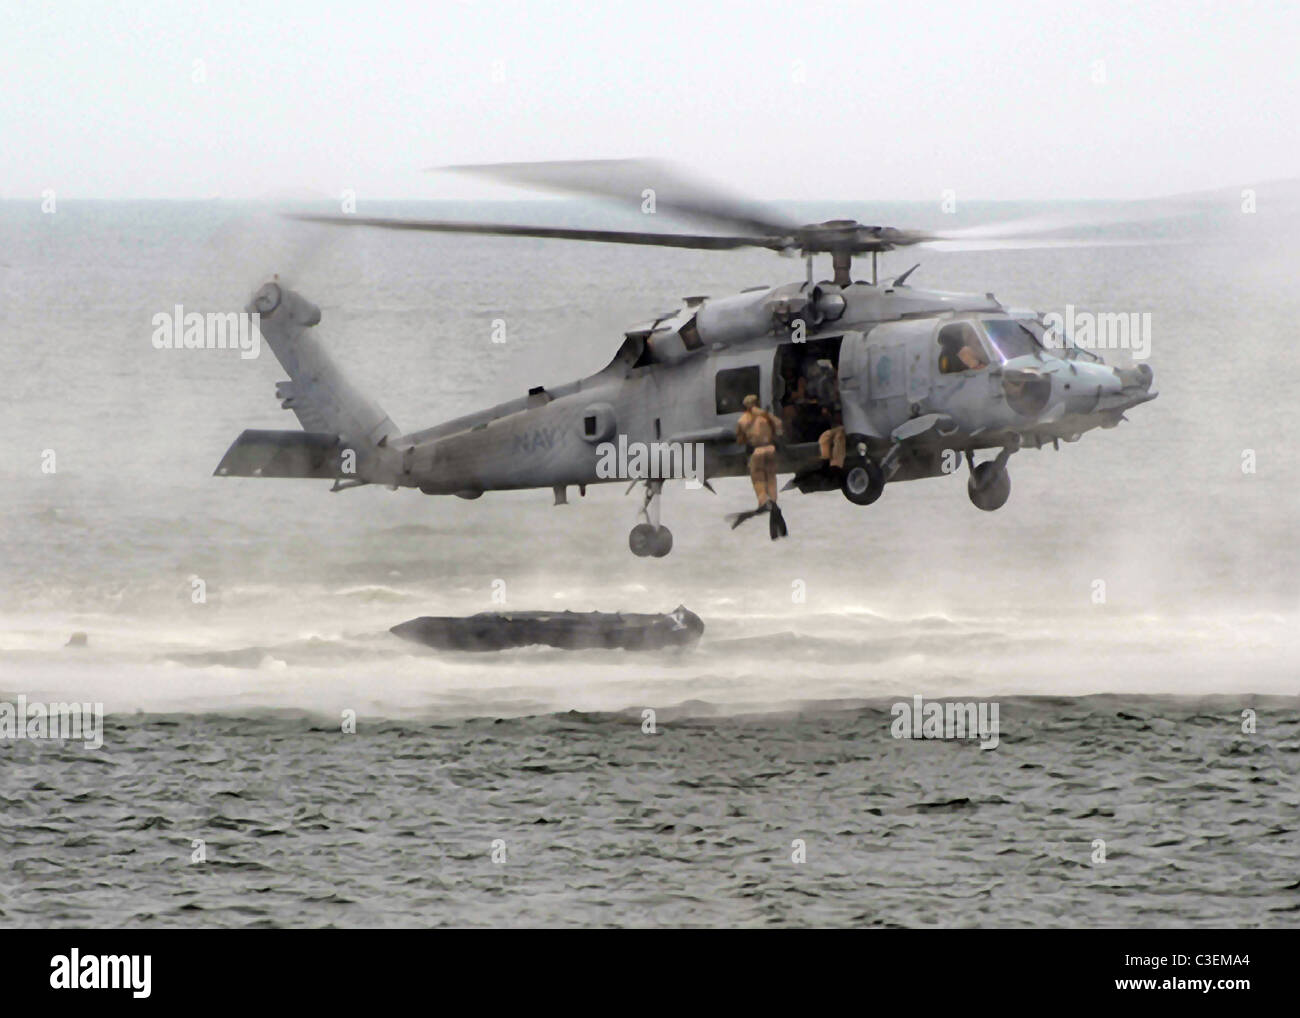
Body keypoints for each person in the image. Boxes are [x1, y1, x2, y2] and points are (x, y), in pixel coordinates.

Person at [730, 394, 788, 539]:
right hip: (770, 450)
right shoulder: (766, 415)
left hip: (757, 452)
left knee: (758, 481)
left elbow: (740, 440)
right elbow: (779, 426)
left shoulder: (743, 420)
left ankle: (764, 502)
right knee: (771, 479)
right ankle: (773, 503)